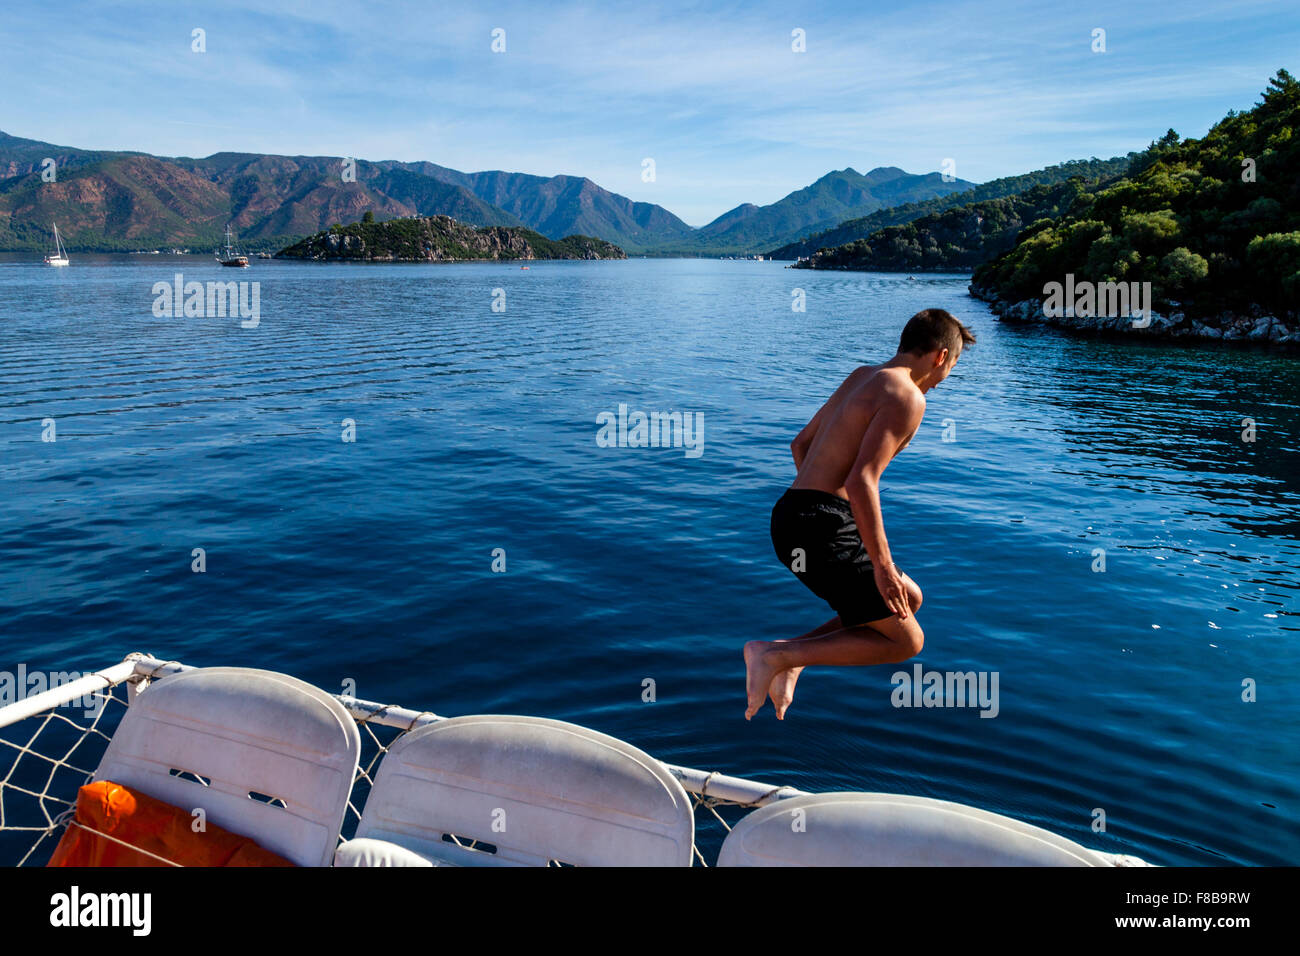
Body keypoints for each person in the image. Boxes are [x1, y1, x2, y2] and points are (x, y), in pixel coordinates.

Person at [744, 308, 975, 720]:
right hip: (819, 525)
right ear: (940, 356)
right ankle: (773, 656)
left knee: (911, 598)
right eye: (951, 367)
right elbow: (862, 480)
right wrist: (881, 565)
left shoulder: (862, 375)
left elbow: (800, 446)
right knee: (908, 642)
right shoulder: (908, 396)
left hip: (790, 514)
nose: (945, 381)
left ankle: (791, 658)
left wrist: (820, 508)